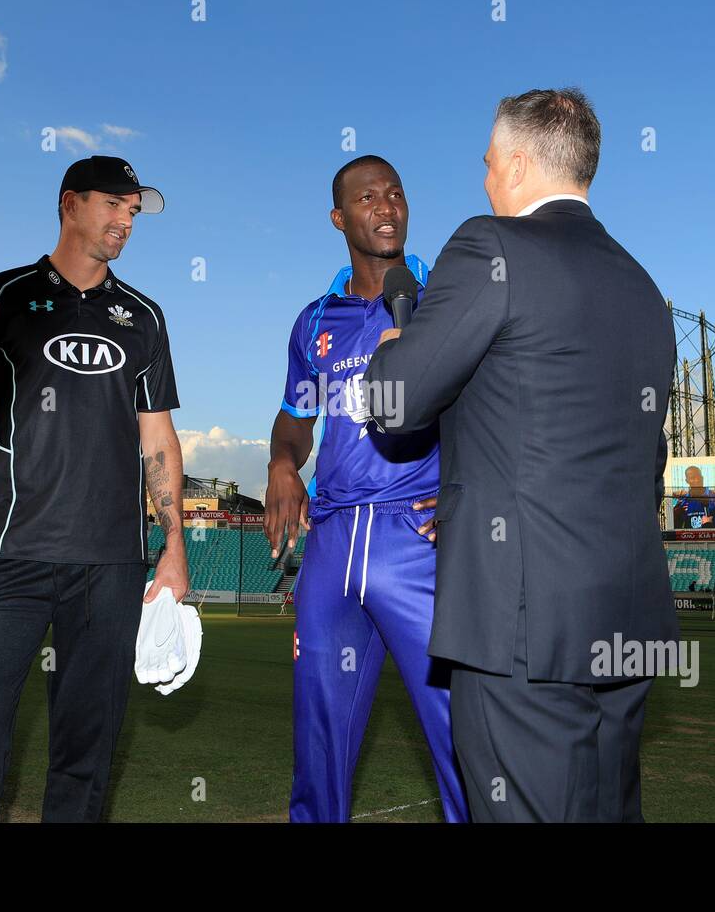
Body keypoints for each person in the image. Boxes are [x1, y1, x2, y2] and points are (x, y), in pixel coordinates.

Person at [366, 87, 677, 822]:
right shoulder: (643, 287)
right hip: (625, 616)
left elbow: (395, 408)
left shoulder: (491, 246)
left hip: (524, 624)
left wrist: (394, 348)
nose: (483, 180)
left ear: (512, 162)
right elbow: (636, 457)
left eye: (485, 163)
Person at [0, 155, 189, 822]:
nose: (126, 220)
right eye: (114, 204)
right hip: (12, 555)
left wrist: (174, 543)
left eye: (134, 210)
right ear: (70, 203)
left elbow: (157, 439)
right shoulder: (0, 296)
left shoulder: (145, 316)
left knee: (86, 749)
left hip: (111, 565)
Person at [266, 155, 466, 823]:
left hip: (419, 537)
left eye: (395, 194)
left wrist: (473, 485)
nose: (385, 206)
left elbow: (498, 404)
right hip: (331, 542)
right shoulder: (314, 320)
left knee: (463, 732)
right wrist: (282, 465)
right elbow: (296, 421)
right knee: (318, 739)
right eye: (367, 197)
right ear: (339, 217)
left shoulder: (448, 297)